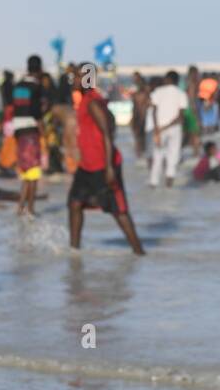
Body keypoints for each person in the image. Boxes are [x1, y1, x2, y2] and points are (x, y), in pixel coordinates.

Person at [68, 64, 144, 254]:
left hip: (103, 165)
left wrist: (109, 166)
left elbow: (107, 133)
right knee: (75, 204)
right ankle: (74, 251)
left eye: (78, 77)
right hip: (86, 166)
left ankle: (139, 252)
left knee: (119, 210)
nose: (74, 81)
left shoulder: (93, 102)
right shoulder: (87, 100)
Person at [10, 56, 49, 216]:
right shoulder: (36, 87)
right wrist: (44, 133)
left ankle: (20, 208)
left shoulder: (18, 85)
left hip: (18, 129)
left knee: (26, 172)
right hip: (31, 131)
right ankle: (31, 210)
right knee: (33, 173)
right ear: (39, 69)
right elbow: (35, 112)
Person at [148, 70, 188, 188]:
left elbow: (154, 111)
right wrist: (167, 126)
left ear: (168, 79)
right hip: (174, 128)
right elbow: (180, 116)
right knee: (173, 155)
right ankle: (169, 185)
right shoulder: (181, 94)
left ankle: (153, 183)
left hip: (159, 127)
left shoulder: (158, 92)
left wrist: (157, 128)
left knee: (157, 155)